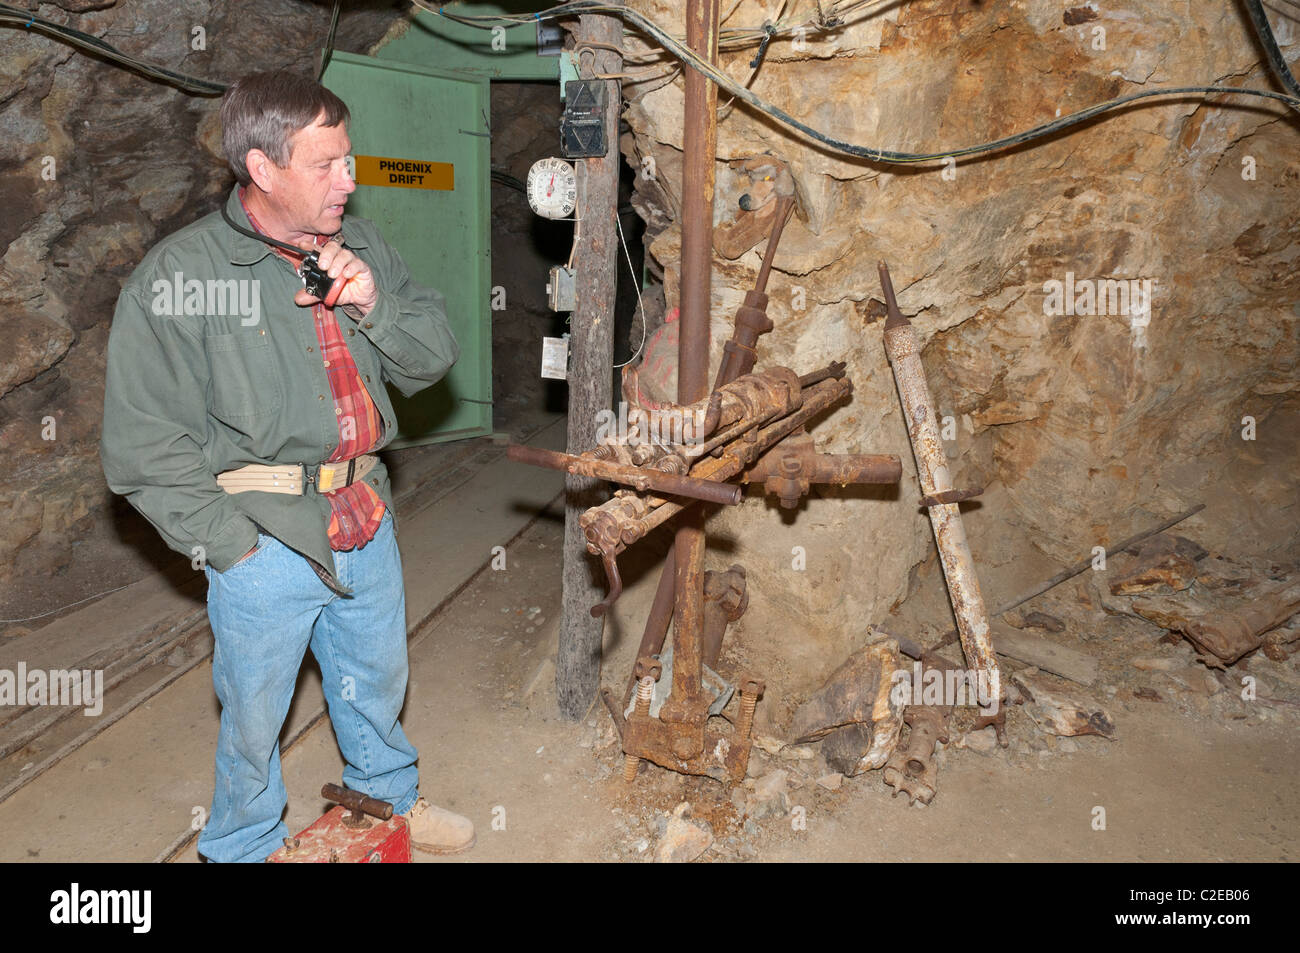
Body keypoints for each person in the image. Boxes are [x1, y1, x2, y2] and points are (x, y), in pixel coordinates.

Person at [100, 70, 471, 862]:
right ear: (262, 169)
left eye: (350, 158)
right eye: (327, 163)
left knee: (373, 680)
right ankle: (241, 844)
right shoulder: (180, 278)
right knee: (255, 718)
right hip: (266, 533)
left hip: (364, 511)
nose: (351, 179)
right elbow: (143, 447)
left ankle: (388, 799)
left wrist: (374, 303)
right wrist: (237, 550)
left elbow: (435, 358)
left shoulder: (363, 247)